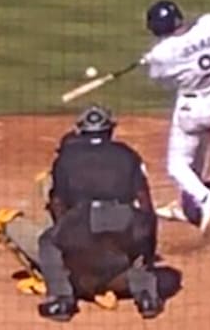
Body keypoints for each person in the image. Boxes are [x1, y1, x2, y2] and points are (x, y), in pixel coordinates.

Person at [36, 105, 164, 322]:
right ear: (110, 130)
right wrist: (147, 239)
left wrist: (66, 232)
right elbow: (145, 203)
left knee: (47, 242)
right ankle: (147, 298)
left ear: (81, 130)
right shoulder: (127, 154)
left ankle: (61, 300)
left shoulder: (66, 157)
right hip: (124, 219)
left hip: (83, 219)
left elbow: (57, 203)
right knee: (140, 246)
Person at [138, 0, 210, 235]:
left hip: (193, 110)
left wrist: (152, 59)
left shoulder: (162, 53)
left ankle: (205, 198)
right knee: (202, 158)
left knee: (177, 165)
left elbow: (163, 81)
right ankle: (187, 208)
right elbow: (202, 26)